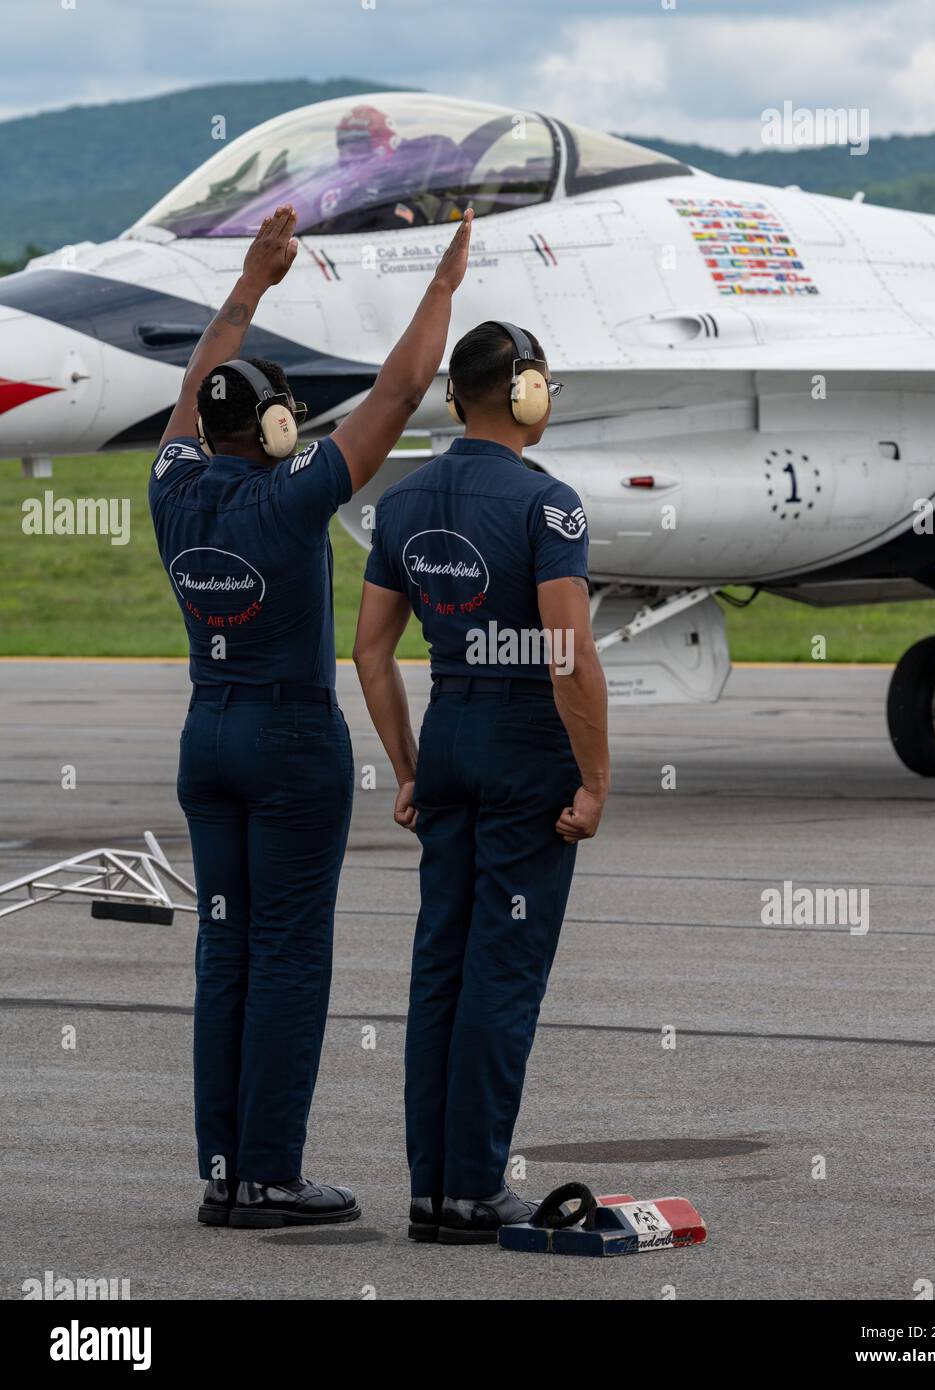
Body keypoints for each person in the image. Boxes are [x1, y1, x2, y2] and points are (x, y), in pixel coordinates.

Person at [148, 203, 473, 1229]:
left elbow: (196, 387)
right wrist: (443, 288)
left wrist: (249, 285)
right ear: (281, 429)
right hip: (290, 739)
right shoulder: (291, 497)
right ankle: (271, 1175)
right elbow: (401, 391)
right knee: (289, 950)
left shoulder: (173, 485)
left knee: (225, 948)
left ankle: (225, 1172)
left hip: (208, 735)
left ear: (208, 427)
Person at [352, 320, 610, 1243]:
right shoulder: (551, 507)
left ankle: (432, 1191)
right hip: (523, 746)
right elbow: (568, 653)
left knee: (441, 970)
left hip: (451, 729)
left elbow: (370, 652)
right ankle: (471, 1190)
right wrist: (595, 777)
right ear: (529, 391)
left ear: (458, 398)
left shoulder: (403, 502)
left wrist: (411, 766)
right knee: (501, 973)